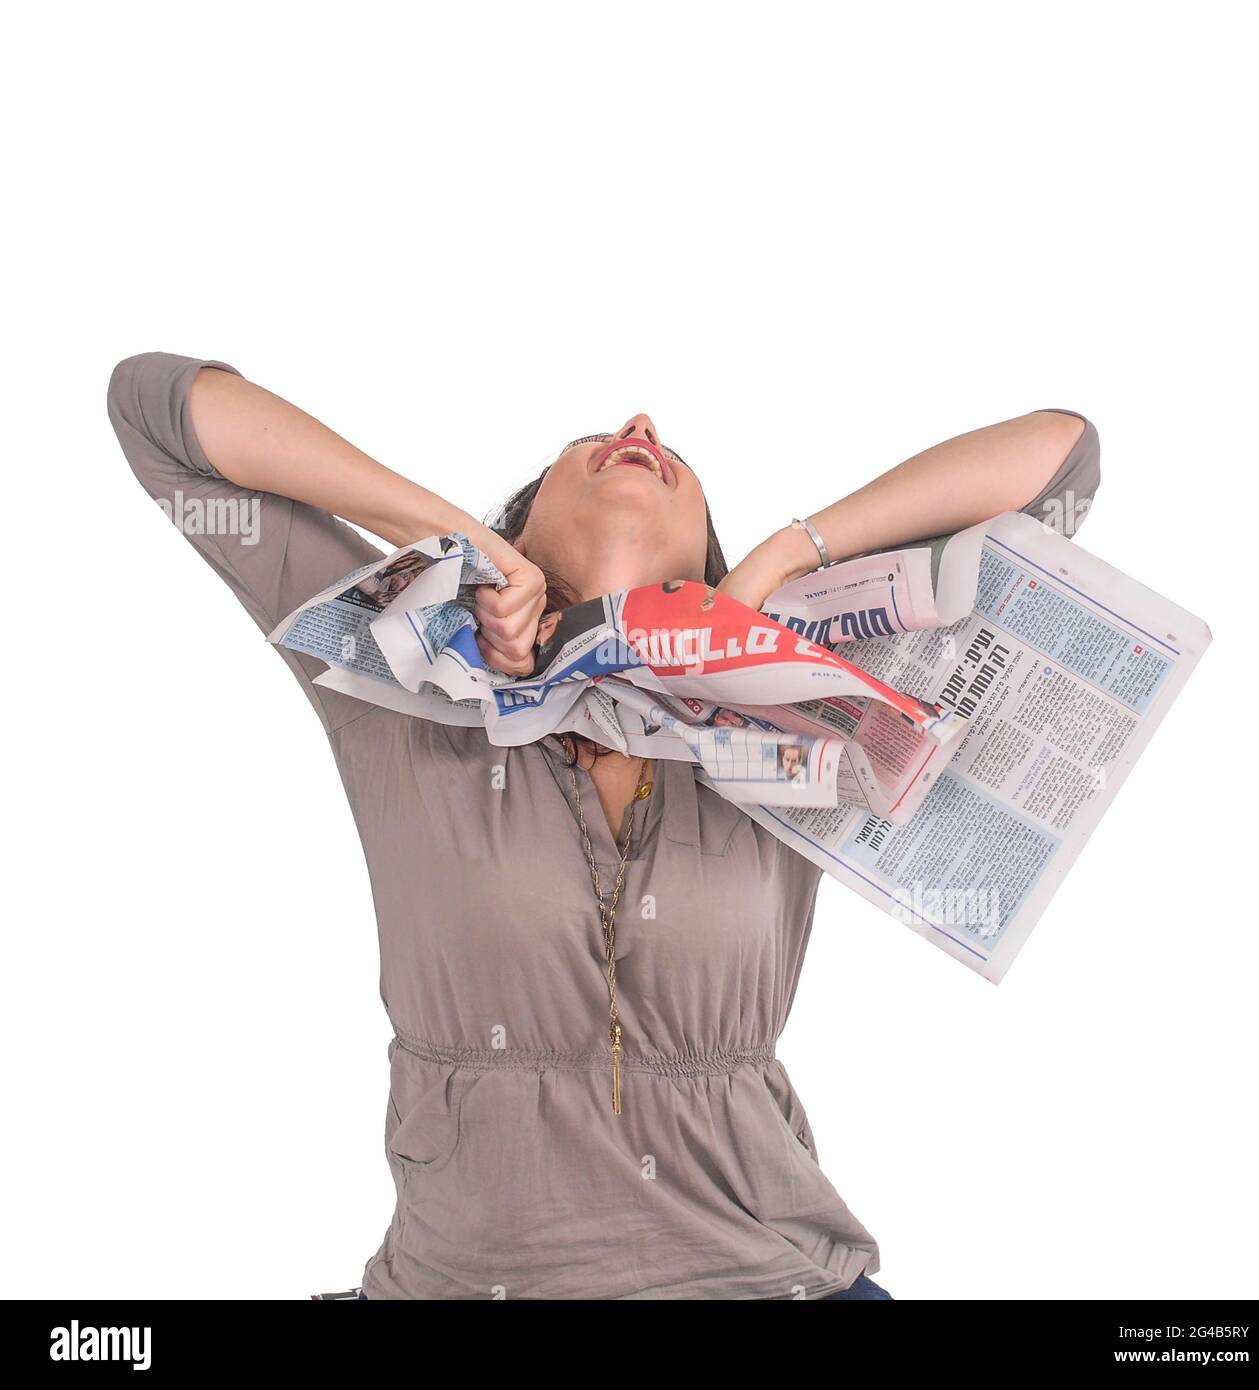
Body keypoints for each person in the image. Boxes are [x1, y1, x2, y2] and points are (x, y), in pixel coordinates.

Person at [106, 351, 1100, 1300]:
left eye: (680, 466)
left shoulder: (795, 700)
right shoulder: (396, 686)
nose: (640, 425)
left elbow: (1061, 458)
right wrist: (460, 544)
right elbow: (156, 411)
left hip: (775, 1275)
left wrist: (781, 564)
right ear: (524, 530)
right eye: (584, 447)